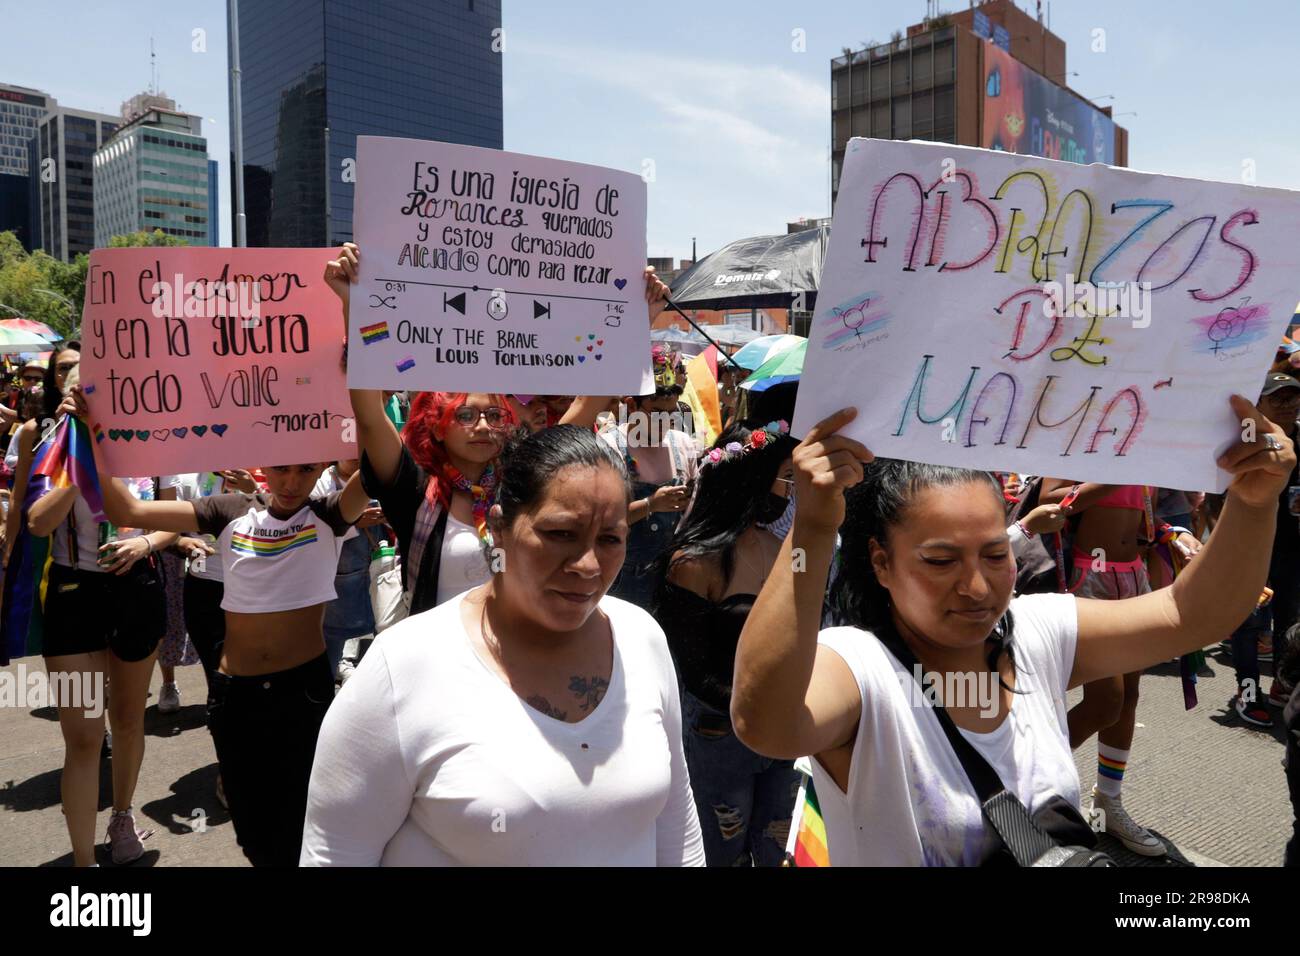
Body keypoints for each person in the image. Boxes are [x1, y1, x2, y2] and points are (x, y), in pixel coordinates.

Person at [731, 398, 1292, 866]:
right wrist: (810, 529)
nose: (976, 588)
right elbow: (765, 723)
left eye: (995, 554)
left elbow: (1191, 615)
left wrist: (1252, 500)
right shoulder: (860, 666)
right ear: (881, 563)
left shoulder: (1036, 629)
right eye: (940, 561)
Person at [301, 425, 705, 866]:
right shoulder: (403, 666)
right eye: (561, 534)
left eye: (610, 539)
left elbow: (676, 824)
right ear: (499, 528)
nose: (588, 566)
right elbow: (334, 853)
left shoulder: (642, 638)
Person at [66, 383, 371, 867]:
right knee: (251, 829)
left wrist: (361, 381)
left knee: (302, 819)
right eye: (281, 468)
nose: (292, 481)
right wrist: (90, 434)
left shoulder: (332, 514)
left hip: (303, 692)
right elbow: (129, 510)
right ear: (260, 466)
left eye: (306, 469)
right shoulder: (226, 511)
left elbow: (378, 462)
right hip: (236, 694)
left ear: (323, 469)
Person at [28, 375, 174, 866]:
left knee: (130, 720)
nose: (89, 397)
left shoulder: (155, 435)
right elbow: (38, 522)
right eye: (78, 388)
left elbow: (177, 516)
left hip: (137, 589)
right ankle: (83, 860)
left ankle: (123, 814)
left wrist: (146, 542)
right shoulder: (55, 441)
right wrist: (80, 461)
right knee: (84, 736)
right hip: (73, 597)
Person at [651, 419, 799, 865]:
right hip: (719, 734)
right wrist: (750, 709)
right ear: (753, 479)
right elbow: (689, 669)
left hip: (782, 733)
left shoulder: (782, 548)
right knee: (722, 849)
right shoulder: (695, 562)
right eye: (786, 477)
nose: (791, 491)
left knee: (776, 844)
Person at [1038, 474, 1199, 856]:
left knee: (1128, 698)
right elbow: (1049, 500)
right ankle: (1028, 782)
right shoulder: (1085, 435)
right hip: (1086, 578)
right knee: (1106, 702)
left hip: (1133, 577)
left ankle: (1107, 802)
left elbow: (1142, 521)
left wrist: (1174, 535)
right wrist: (1113, 477)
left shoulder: (1146, 452)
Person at [600, 350, 699, 607]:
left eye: (671, 413)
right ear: (632, 405)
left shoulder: (683, 444)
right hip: (621, 579)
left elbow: (695, 513)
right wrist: (650, 505)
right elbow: (600, 521)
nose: (664, 422)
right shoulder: (608, 447)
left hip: (672, 576)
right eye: (656, 412)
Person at [312, 459, 387, 678]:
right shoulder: (324, 482)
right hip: (338, 580)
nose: (355, 455)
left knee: (382, 627)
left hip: (377, 571)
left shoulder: (378, 479)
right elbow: (314, 529)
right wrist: (353, 522)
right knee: (332, 636)